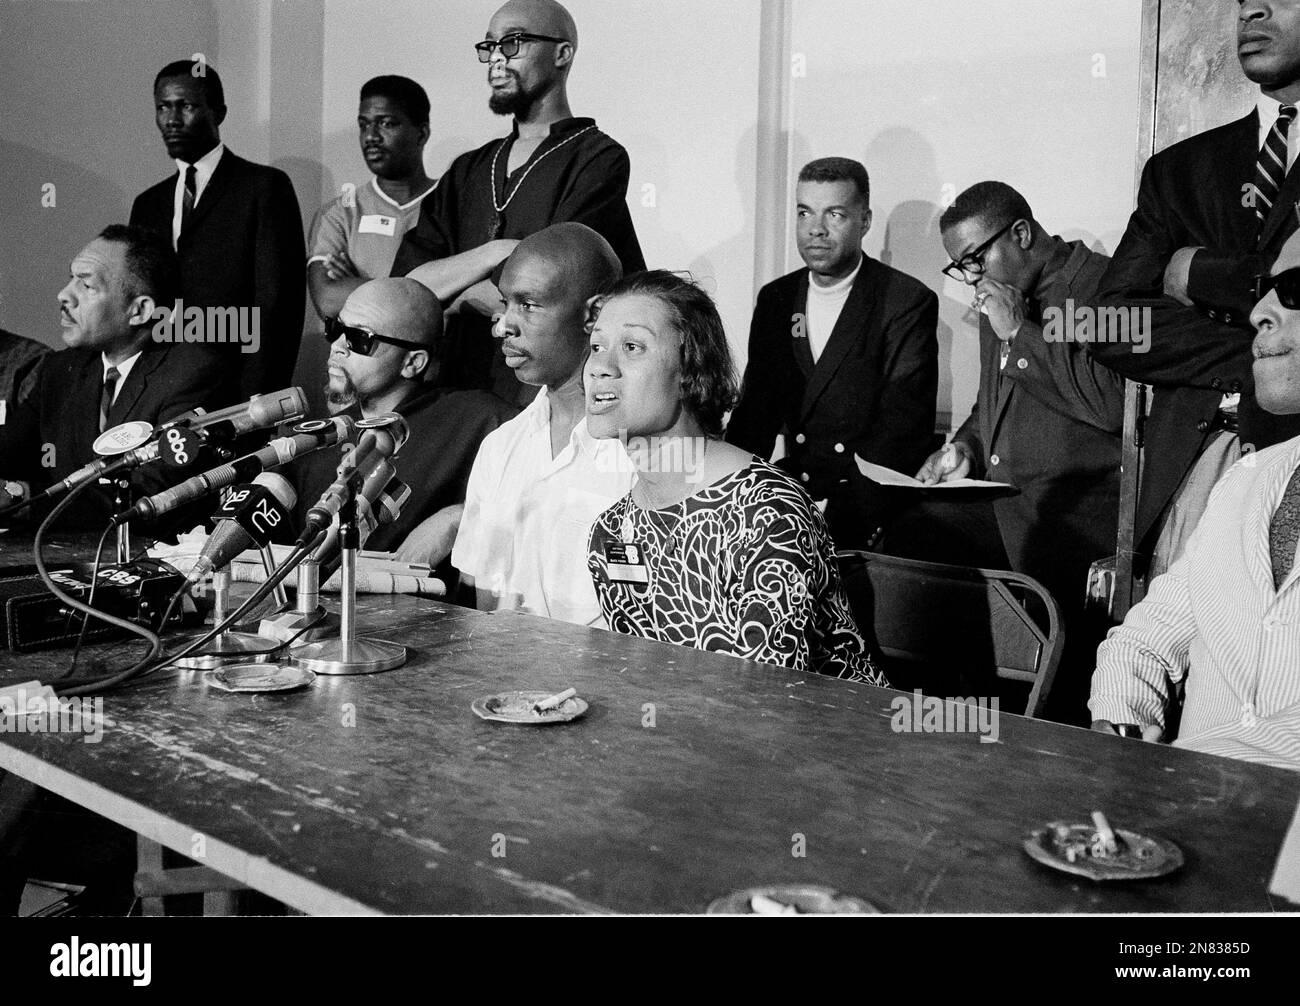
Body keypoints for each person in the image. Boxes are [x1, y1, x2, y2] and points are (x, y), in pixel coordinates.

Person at [886, 182, 1125, 724]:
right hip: (1002, 507)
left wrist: (1018, 330)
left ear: (1021, 233)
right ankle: (945, 728)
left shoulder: (1103, 287)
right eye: (960, 266)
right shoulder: (1006, 288)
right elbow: (990, 402)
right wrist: (964, 448)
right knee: (904, 539)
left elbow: (1111, 406)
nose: (971, 277)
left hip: (1071, 522)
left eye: (975, 258)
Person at [586, 270, 885, 683]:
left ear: (689, 371)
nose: (600, 366)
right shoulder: (612, 534)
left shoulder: (766, 513)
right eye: (596, 346)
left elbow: (765, 700)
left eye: (632, 346)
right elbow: (638, 686)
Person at [1091, 1, 1300, 580]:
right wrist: (1260, 354)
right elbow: (1105, 322)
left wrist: (1201, 275)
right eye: (1240, 1)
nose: (1251, 11)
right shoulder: (1179, 169)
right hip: (1194, 473)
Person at [1089, 228, 1300, 772]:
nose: (1259, 312)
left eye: (1294, 290)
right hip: (1190, 810)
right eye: (1266, 290)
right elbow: (1146, 641)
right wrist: (1120, 720)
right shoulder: (1248, 478)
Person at [392, 0, 644, 402]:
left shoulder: (596, 157)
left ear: (562, 54)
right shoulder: (469, 169)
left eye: (513, 43)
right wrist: (494, 252)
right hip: (460, 385)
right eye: (489, 46)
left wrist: (455, 294)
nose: (496, 58)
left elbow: (554, 286)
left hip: (548, 391)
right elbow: (408, 288)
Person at [726, 157, 938, 549]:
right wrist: (721, 495)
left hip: (866, 511)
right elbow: (755, 415)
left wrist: (836, 514)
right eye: (805, 212)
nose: (816, 229)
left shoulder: (905, 301)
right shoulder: (777, 299)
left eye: (835, 214)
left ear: (865, 221)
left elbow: (901, 429)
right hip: (795, 499)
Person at [448, 222, 633, 625]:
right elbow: (477, 601)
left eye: (528, 305)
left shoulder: (646, 453)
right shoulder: (500, 447)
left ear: (594, 314)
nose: (503, 326)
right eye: (505, 304)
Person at [0, 225, 222, 530]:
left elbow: (146, 498)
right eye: (70, 279)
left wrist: (17, 497)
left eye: (87, 286)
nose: (63, 295)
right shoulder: (59, 369)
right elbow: (7, 452)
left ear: (140, 310)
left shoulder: (192, 372)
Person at [289, 277, 516, 566]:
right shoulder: (318, 441)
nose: (337, 346)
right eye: (335, 329)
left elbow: (553, 492)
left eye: (360, 339)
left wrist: (458, 517)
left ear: (413, 363)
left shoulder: (477, 418)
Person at [129, 59, 306, 402]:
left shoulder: (263, 187)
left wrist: (260, 396)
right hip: (159, 393)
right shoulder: (148, 203)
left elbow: (278, 304)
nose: (171, 120)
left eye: (186, 106)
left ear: (218, 113)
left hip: (236, 389)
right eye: (162, 107)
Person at [306, 76, 437, 322]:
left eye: (386, 123)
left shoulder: (453, 203)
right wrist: (433, 291)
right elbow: (328, 300)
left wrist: (358, 286)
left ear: (421, 134)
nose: (371, 136)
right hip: (360, 355)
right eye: (364, 125)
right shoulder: (340, 212)